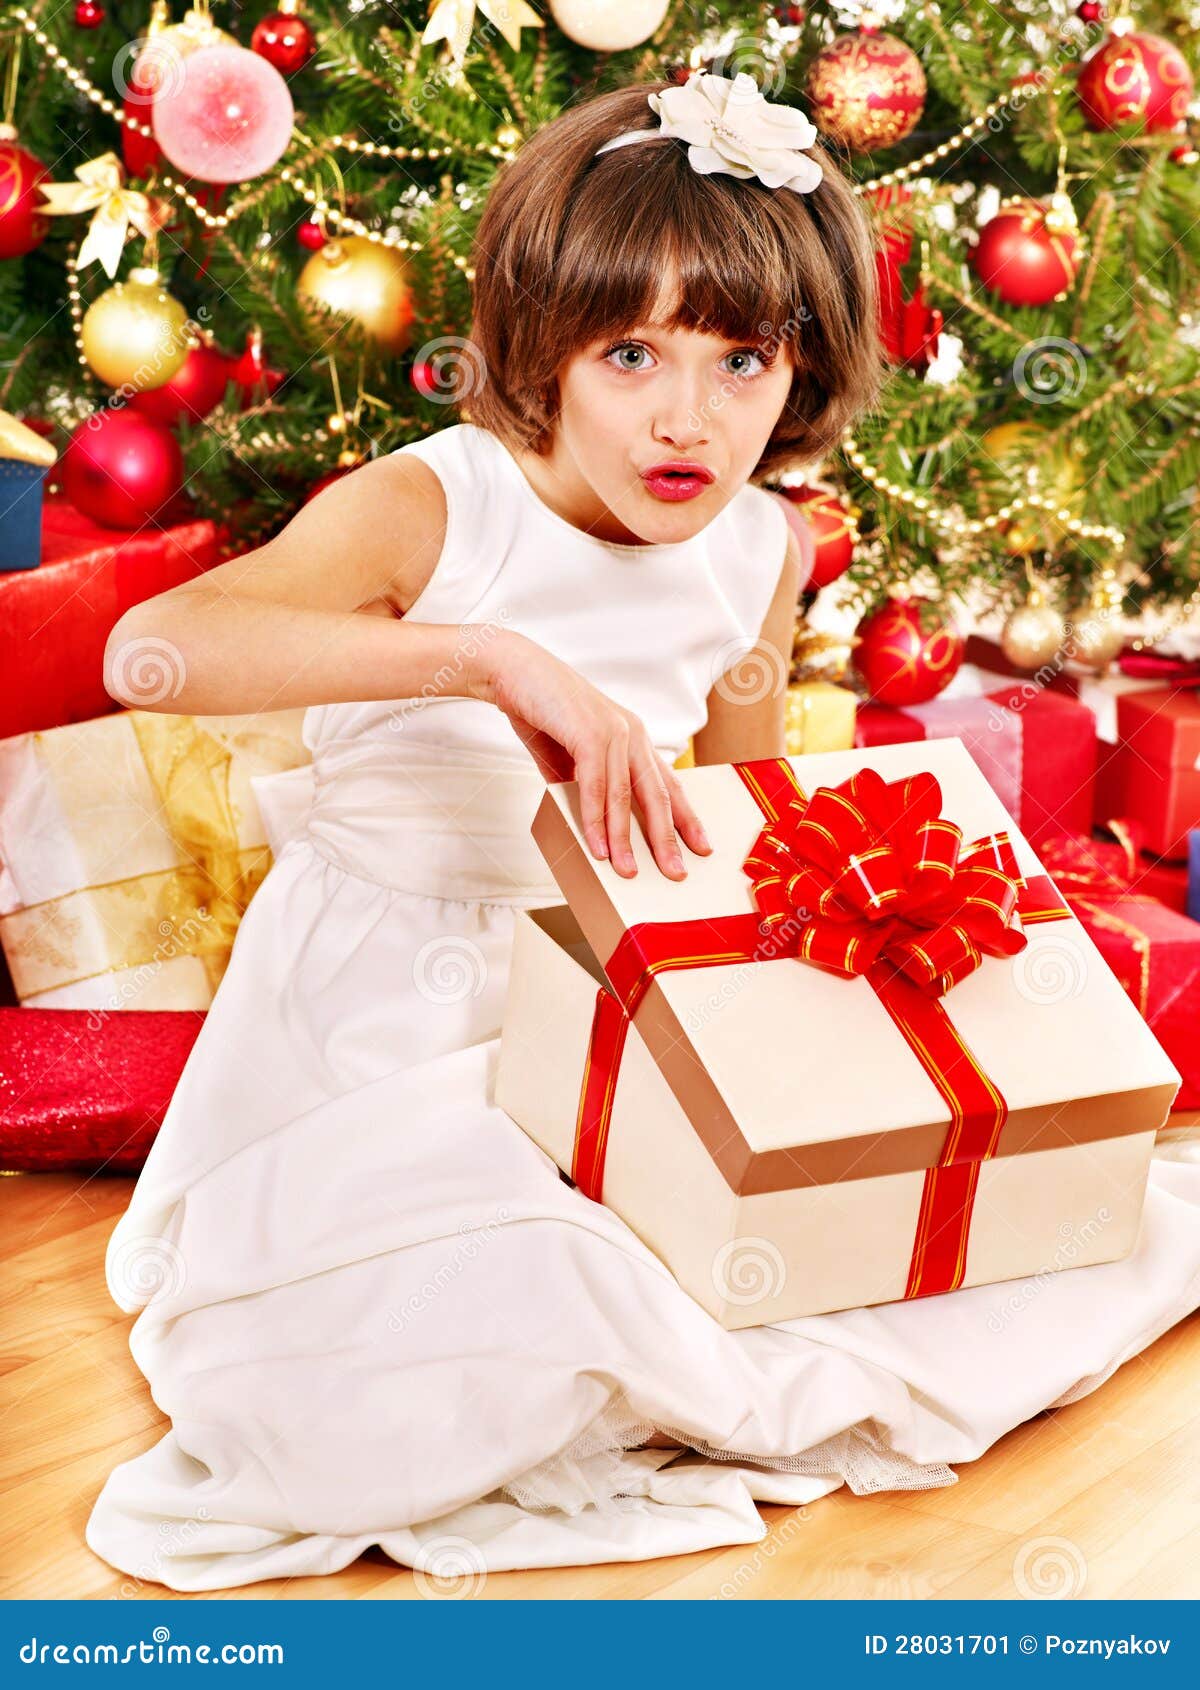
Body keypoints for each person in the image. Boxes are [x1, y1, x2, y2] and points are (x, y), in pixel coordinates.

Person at [85, 73, 1200, 1594]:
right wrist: (484, 656)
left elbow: (740, 818)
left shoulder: (756, 547)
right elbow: (156, 645)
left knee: (919, 1255)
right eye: (629, 355)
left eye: (741, 360)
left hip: (598, 995)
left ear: (799, 367)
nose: (688, 418)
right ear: (544, 348)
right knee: (509, 1296)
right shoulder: (439, 505)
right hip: (375, 1022)